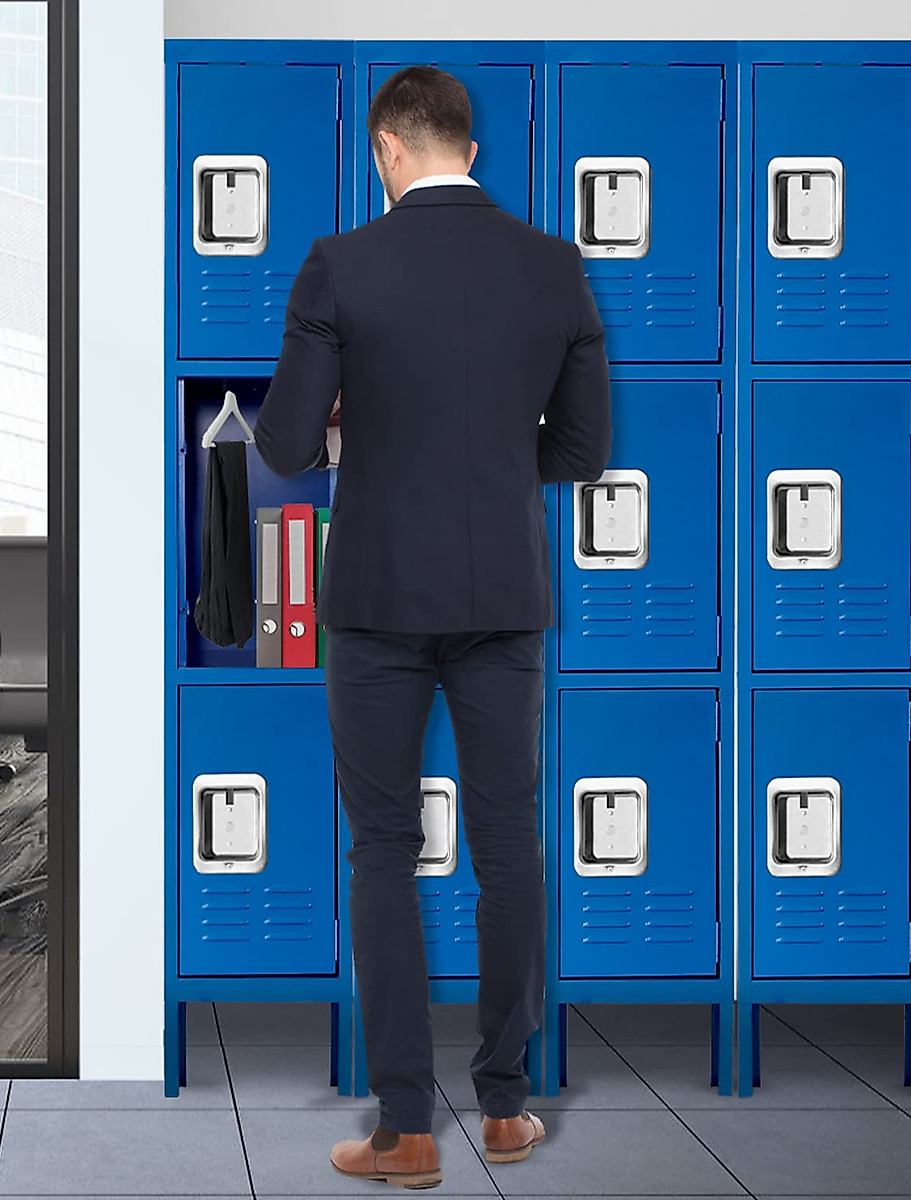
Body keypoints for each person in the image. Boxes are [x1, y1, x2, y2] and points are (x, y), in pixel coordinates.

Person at [254, 65, 611, 1190]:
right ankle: (505, 1108)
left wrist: (358, 435)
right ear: (471, 147)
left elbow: (283, 444)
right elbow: (584, 453)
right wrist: (500, 456)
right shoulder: (555, 267)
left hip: (376, 603)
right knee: (511, 847)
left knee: (383, 851)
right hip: (505, 598)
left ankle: (407, 1128)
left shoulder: (341, 265)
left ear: (386, 149)